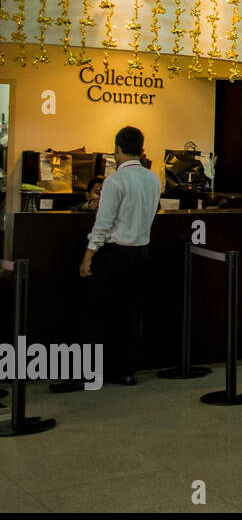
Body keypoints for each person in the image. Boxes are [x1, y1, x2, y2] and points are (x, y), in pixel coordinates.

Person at [55, 126, 161, 391]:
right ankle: (127, 371)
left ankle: (86, 374)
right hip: (142, 252)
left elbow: (103, 225)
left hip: (115, 254)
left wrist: (87, 258)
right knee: (132, 312)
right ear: (141, 148)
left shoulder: (115, 181)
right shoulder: (153, 179)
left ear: (118, 149)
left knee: (95, 313)